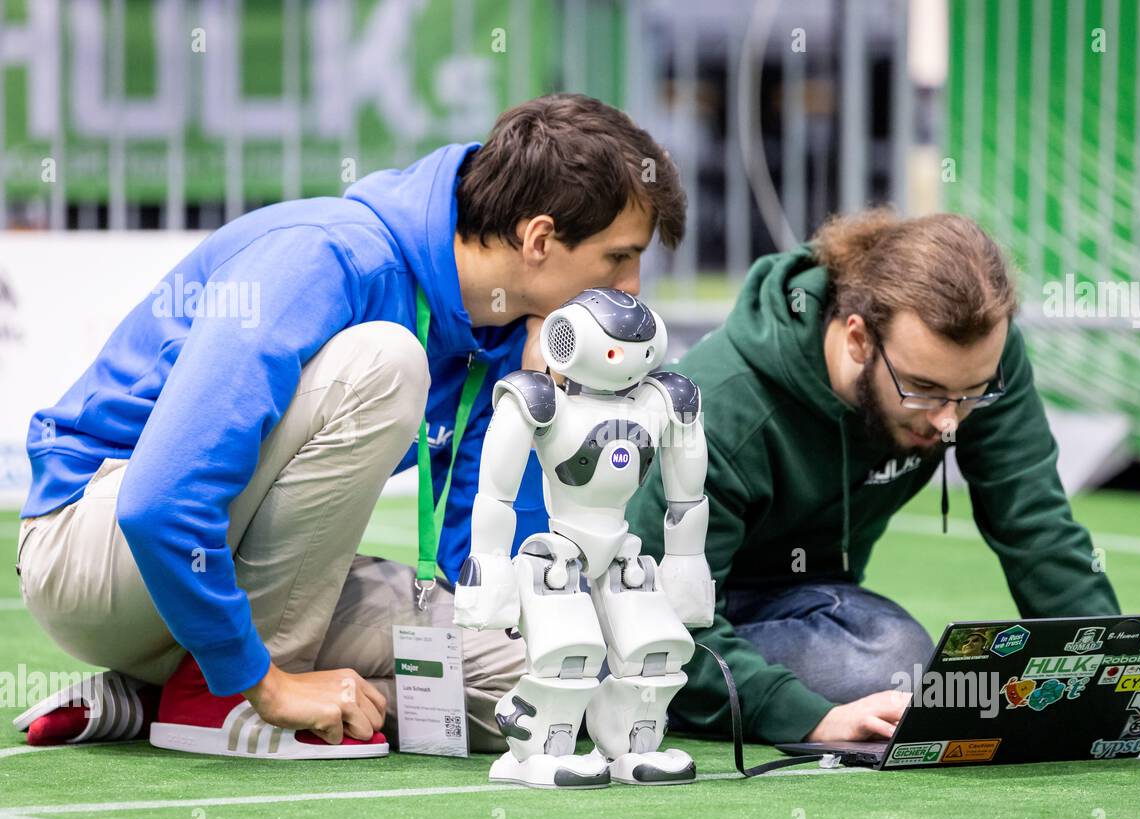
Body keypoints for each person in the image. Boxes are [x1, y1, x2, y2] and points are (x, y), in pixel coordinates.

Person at [13, 93, 686, 758]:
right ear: (540, 238)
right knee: (388, 360)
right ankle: (236, 695)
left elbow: (490, 582)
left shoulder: (511, 335)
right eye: (618, 257)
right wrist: (262, 681)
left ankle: (166, 698)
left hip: (228, 580)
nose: (630, 286)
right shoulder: (325, 254)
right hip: (95, 551)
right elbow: (158, 505)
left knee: (552, 673)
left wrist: (544, 400)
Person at [625, 210, 1140, 752]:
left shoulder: (975, 367)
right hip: (646, 603)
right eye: (924, 390)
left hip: (805, 604)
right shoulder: (723, 405)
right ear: (858, 339)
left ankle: (688, 689)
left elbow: (1035, 522)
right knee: (883, 667)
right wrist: (804, 715)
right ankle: (647, 689)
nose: (949, 421)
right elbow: (652, 607)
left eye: (971, 394)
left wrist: (1116, 692)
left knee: (901, 661)